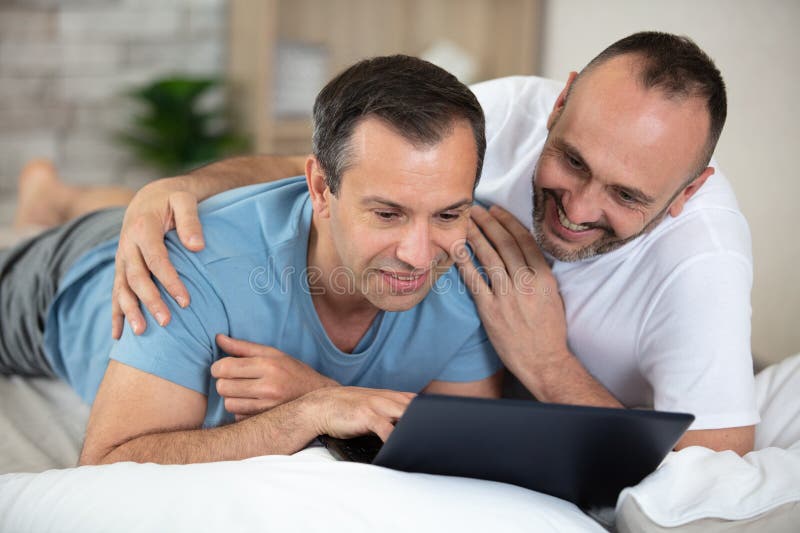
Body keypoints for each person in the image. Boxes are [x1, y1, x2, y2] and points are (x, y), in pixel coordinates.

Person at [114, 32, 759, 455]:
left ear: (686, 193)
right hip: (101, 274)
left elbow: (717, 464)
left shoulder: (705, 264)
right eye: (572, 161)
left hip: (508, 384)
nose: (579, 207)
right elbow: (339, 164)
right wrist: (174, 187)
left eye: (627, 197)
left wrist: (546, 362)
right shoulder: (500, 116)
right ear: (558, 106)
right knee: (76, 240)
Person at [0, 55, 504, 465]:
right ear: (321, 190)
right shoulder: (198, 270)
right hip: (68, 276)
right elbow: (109, 462)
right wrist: (308, 413)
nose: (418, 256)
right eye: (388, 214)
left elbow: (463, 458)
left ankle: (60, 196)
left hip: (231, 229)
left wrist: (320, 391)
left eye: (446, 213)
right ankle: (54, 202)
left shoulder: (471, 267)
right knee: (123, 224)